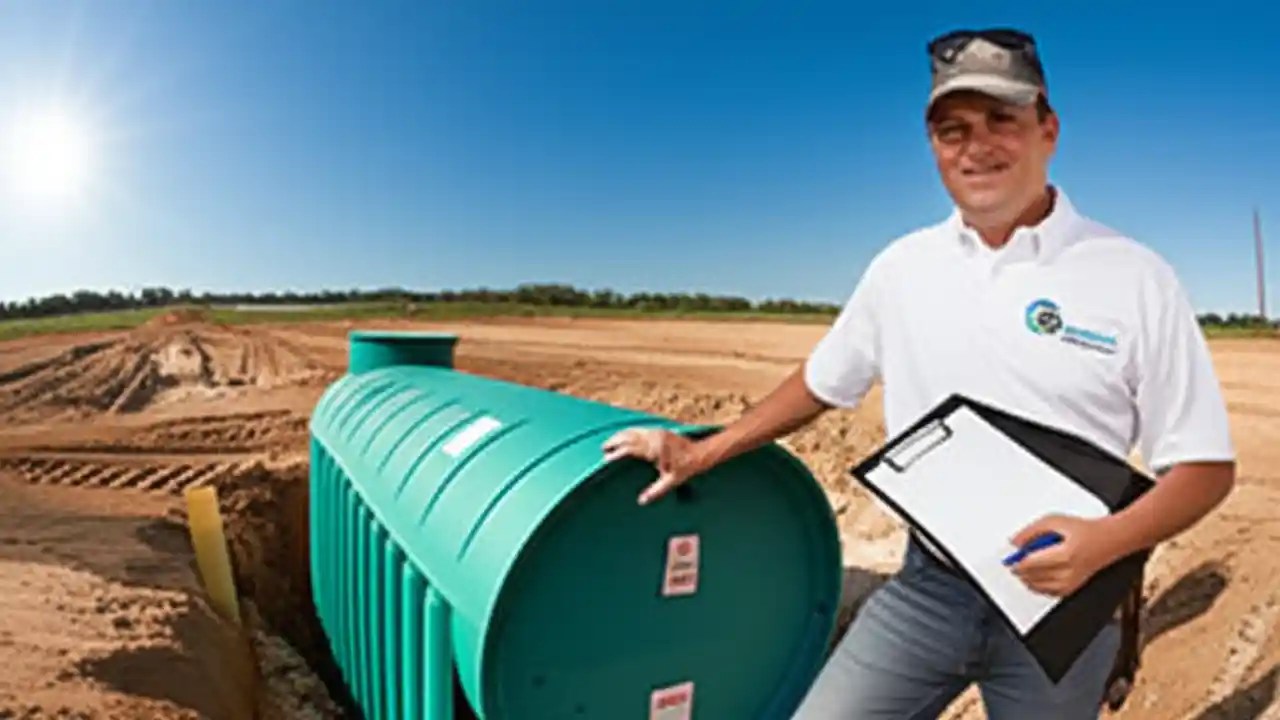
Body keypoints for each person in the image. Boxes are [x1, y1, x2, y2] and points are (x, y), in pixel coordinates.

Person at [601, 27, 1237, 719]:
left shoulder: (1135, 276)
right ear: (933, 147)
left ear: (1048, 130)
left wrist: (1103, 546)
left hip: (1064, 604)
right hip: (928, 592)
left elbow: (1205, 467)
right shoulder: (902, 269)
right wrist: (701, 451)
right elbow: (823, 382)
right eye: (952, 129)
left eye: (1003, 119)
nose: (977, 146)